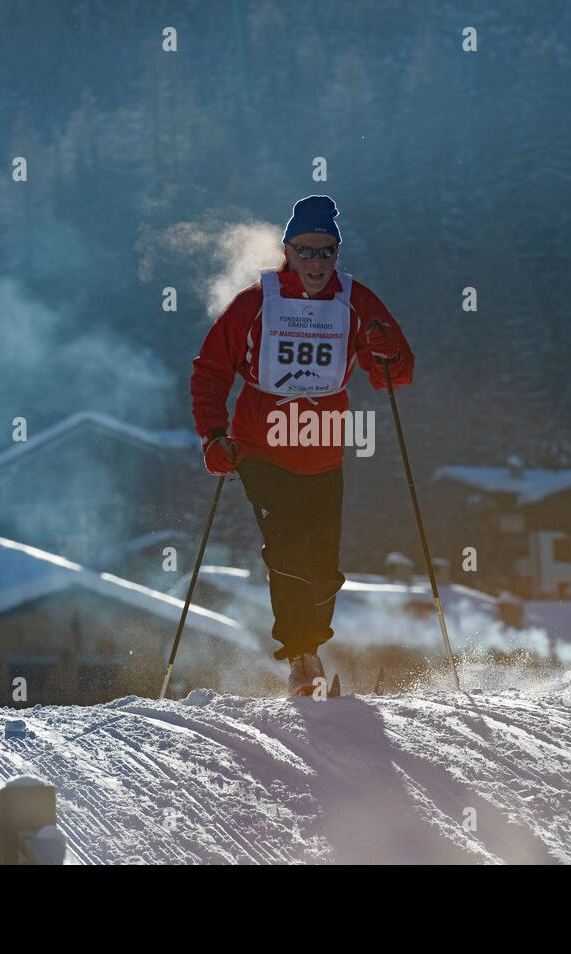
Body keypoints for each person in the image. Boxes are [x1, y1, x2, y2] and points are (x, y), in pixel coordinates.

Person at [190, 195, 414, 696]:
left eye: (326, 252)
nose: (317, 263)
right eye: (306, 251)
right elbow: (210, 370)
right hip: (261, 447)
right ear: (287, 250)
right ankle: (302, 660)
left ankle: (310, 648)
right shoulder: (255, 303)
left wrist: (387, 351)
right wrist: (214, 435)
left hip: (322, 446)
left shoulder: (356, 302)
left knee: (322, 565)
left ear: (338, 253)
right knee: (288, 547)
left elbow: (397, 375)